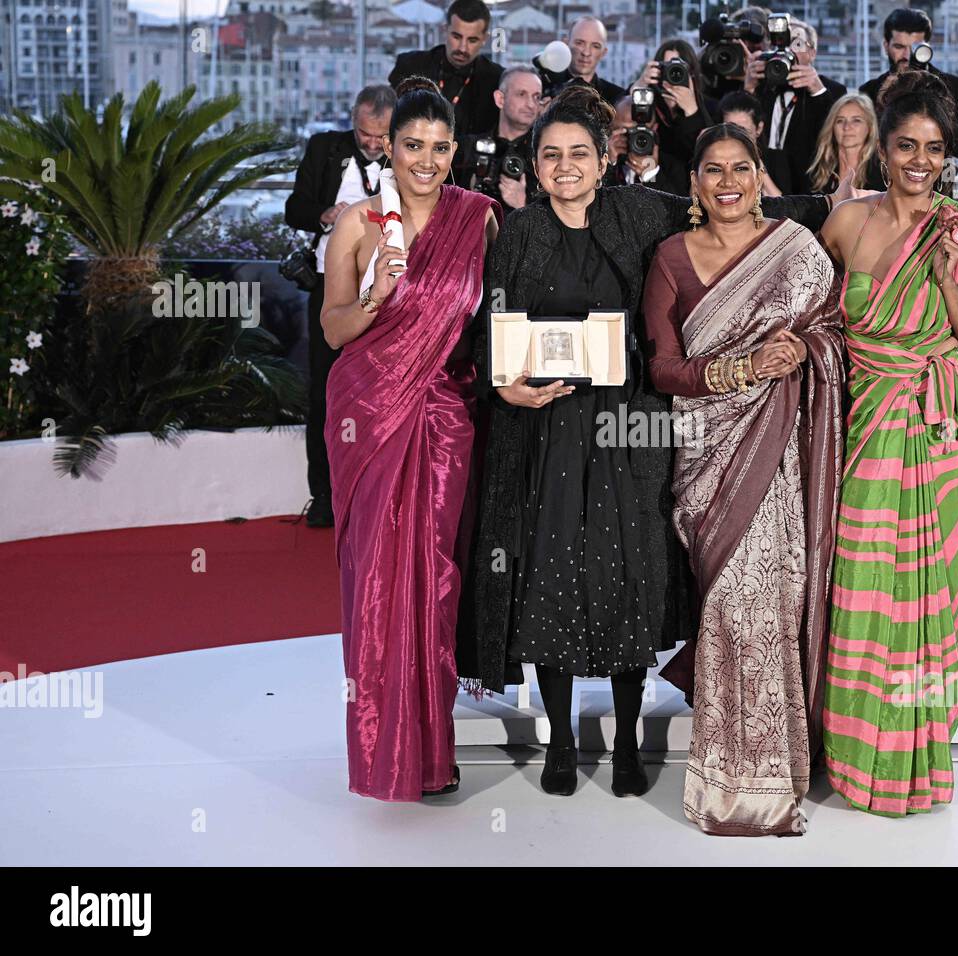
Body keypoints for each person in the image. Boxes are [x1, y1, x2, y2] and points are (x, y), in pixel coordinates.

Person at [460, 85, 833, 800]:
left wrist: (838, 207)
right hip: (546, 432)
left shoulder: (640, 213)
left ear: (605, 159)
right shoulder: (520, 235)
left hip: (632, 430)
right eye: (550, 156)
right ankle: (562, 746)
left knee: (626, 576)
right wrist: (505, 385)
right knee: (549, 578)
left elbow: (732, 206)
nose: (565, 167)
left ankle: (629, 744)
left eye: (579, 153)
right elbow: (496, 330)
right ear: (534, 166)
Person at [644, 124, 844, 835]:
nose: (727, 182)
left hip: (779, 447)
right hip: (707, 452)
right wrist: (738, 370)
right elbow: (662, 368)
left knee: (772, 603)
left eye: (740, 168)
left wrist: (803, 349)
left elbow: (835, 333)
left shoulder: (796, 249)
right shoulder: (671, 256)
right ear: (694, 183)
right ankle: (728, 783)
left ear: (760, 174)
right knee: (728, 603)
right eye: (712, 171)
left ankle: (776, 777)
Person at [818, 69, 958, 817]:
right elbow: (807, 310)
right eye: (906, 146)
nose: (920, 161)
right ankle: (857, 755)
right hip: (866, 425)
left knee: (927, 599)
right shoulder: (845, 223)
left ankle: (917, 755)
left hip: (941, 433)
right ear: (883, 149)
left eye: (933, 148)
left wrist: (946, 282)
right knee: (861, 590)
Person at [321, 76, 501, 802]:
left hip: (448, 413)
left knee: (435, 574)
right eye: (410, 146)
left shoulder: (480, 217)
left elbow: (500, 319)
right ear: (386, 148)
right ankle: (378, 752)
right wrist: (373, 296)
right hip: (367, 411)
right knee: (373, 581)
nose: (424, 161)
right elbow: (333, 329)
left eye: (437, 148)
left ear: (454, 150)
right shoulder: (356, 223)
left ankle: (432, 748)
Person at [285, 85, 396, 528]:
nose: (371, 144)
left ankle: (378, 496)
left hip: (386, 294)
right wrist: (328, 214)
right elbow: (294, 209)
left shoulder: (405, 155)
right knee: (324, 395)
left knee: (381, 397)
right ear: (353, 120)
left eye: (379, 136)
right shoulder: (324, 149)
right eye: (363, 134)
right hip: (330, 290)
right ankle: (324, 497)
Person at [859, 7, 958, 189]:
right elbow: (862, 145)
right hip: (880, 195)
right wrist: (885, 100)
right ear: (886, 46)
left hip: (934, 196)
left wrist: (931, 100)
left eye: (916, 48)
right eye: (899, 47)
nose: (907, 56)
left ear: (927, 47)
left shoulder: (954, 87)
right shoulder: (870, 90)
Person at [744, 18, 846, 195]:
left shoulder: (831, 91)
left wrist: (817, 91)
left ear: (812, 52)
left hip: (806, 189)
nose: (789, 51)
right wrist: (748, 88)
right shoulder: (762, 86)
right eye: (781, 44)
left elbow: (835, 138)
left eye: (797, 44)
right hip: (760, 185)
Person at [389, 0, 504, 136]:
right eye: (456, 37)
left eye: (472, 40)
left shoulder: (496, 78)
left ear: (485, 38)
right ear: (445, 30)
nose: (462, 48)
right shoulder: (410, 66)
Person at [453, 65, 543, 211]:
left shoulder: (545, 156)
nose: (531, 104)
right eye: (521, 94)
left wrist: (523, 204)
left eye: (536, 97)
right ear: (500, 99)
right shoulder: (467, 148)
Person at [630, 40, 718, 170]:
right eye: (667, 67)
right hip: (654, 179)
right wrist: (640, 84)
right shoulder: (648, 105)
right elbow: (621, 114)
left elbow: (713, 153)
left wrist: (692, 110)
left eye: (679, 68)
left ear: (692, 72)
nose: (674, 73)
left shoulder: (711, 107)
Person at [606, 94, 691, 196]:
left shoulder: (675, 168)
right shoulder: (597, 164)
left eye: (640, 132)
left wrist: (651, 175)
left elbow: (673, 209)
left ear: (654, 129)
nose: (633, 138)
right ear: (611, 130)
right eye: (625, 131)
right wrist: (609, 164)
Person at [718, 90, 790, 195]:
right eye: (731, 130)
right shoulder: (713, 161)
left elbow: (784, 207)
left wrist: (757, 163)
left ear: (759, 128)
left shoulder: (776, 159)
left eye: (744, 131)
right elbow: (695, 203)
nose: (737, 138)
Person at [806, 92, 879, 195]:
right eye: (840, 121)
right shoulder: (818, 168)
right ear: (832, 127)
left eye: (856, 120)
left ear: (870, 127)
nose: (847, 127)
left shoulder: (881, 170)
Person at [564, 16, 627, 107]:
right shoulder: (543, 89)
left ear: (603, 53)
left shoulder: (616, 98)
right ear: (566, 44)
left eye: (595, 46)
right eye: (579, 43)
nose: (586, 53)